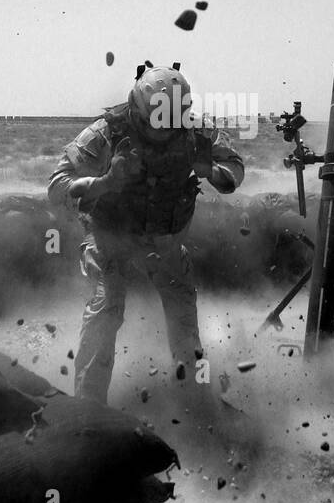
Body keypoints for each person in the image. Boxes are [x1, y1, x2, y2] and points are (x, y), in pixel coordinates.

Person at [47, 62, 244, 404]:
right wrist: (104, 182)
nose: (165, 128)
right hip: (110, 237)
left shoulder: (197, 131)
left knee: (182, 307)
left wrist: (210, 169)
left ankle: (196, 398)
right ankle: (88, 406)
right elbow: (57, 187)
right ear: (140, 108)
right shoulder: (106, 134)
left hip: (165, 239)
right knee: (107, 306)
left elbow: (235, 169)